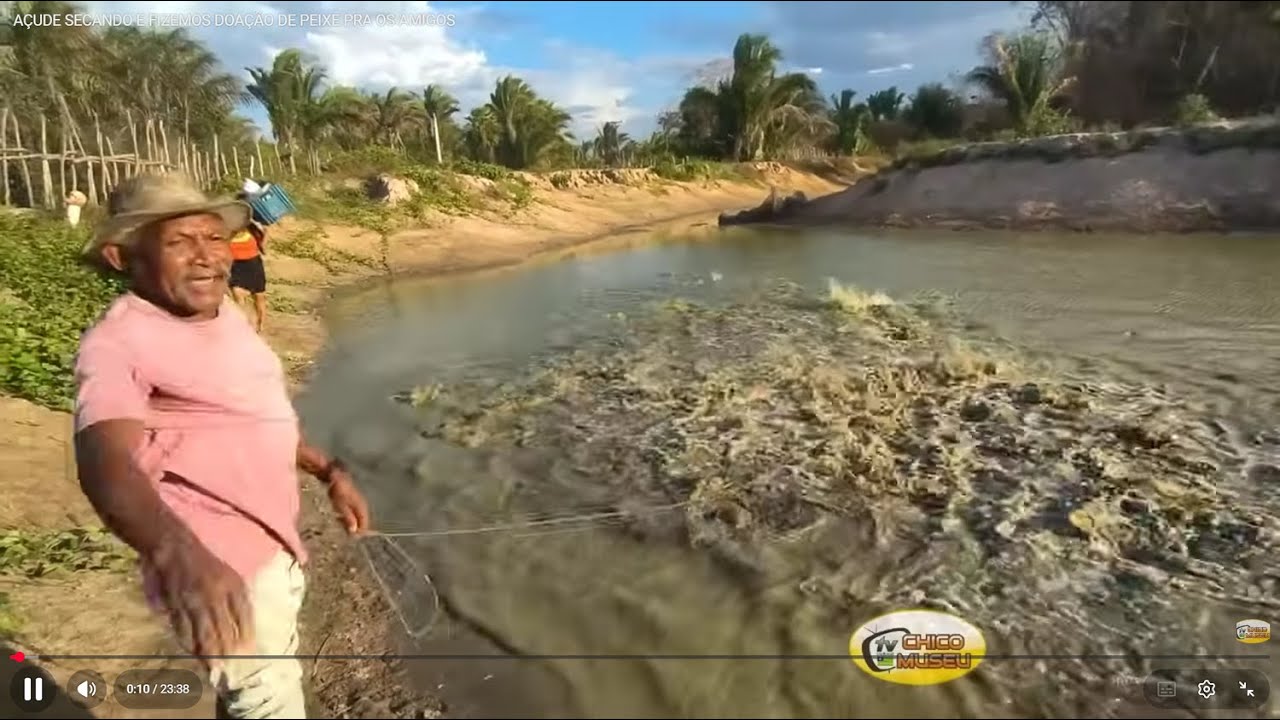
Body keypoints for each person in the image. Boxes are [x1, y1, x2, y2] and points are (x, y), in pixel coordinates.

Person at [72, 173, 371, 719]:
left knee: (252, 694)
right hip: (222, 567)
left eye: (214, 237)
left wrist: (328, 471)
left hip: (272, 546)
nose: (205, 256)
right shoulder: (117, 343)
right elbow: (102, 459)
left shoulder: (221, 313)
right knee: (268, 702)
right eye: (179, 241)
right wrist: (179, 556)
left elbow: (255, 416)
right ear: (123, 257)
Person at [228, 218, 268, 333]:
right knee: (238, 296)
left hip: (253, 265)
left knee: (259, 298)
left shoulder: (252, 230)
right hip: (236, 266)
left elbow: (263, 249)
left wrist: (265, 235)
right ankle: (242, 326)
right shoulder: (225, 235)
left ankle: (260, 326)